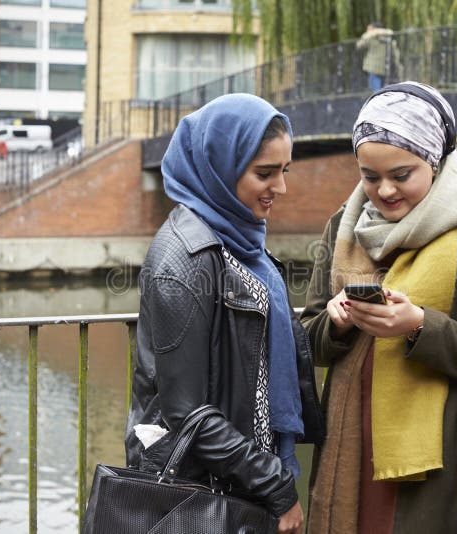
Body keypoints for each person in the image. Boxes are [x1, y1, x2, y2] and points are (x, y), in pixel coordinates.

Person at [301, 81, 457, 533]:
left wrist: (419, 327)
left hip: (439, 460)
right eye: (369, 176)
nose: (384, 191)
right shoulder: (343, 226)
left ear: (436, 161)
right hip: (351, 447)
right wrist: (337, 322)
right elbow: (306, 343)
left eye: (402, 175)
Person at [125, 93, 324, 534]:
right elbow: (187, 413)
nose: (281, 188)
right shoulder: (185, 259)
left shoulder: (237, 237)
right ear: (220, 165)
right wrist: (277, 486)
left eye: (284, 171)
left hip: (239, 476)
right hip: (203, 489)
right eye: (264, 173)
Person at [356, 22, 401, 91]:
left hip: (373, 68)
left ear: (374, 29)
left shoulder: (370, 38)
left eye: (369, 29)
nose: (367, 31)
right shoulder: (388, 38)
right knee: (383, 90)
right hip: (385, 68)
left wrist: (366, 35)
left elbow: (359, 46)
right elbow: (395, 54)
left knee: (376, 91)